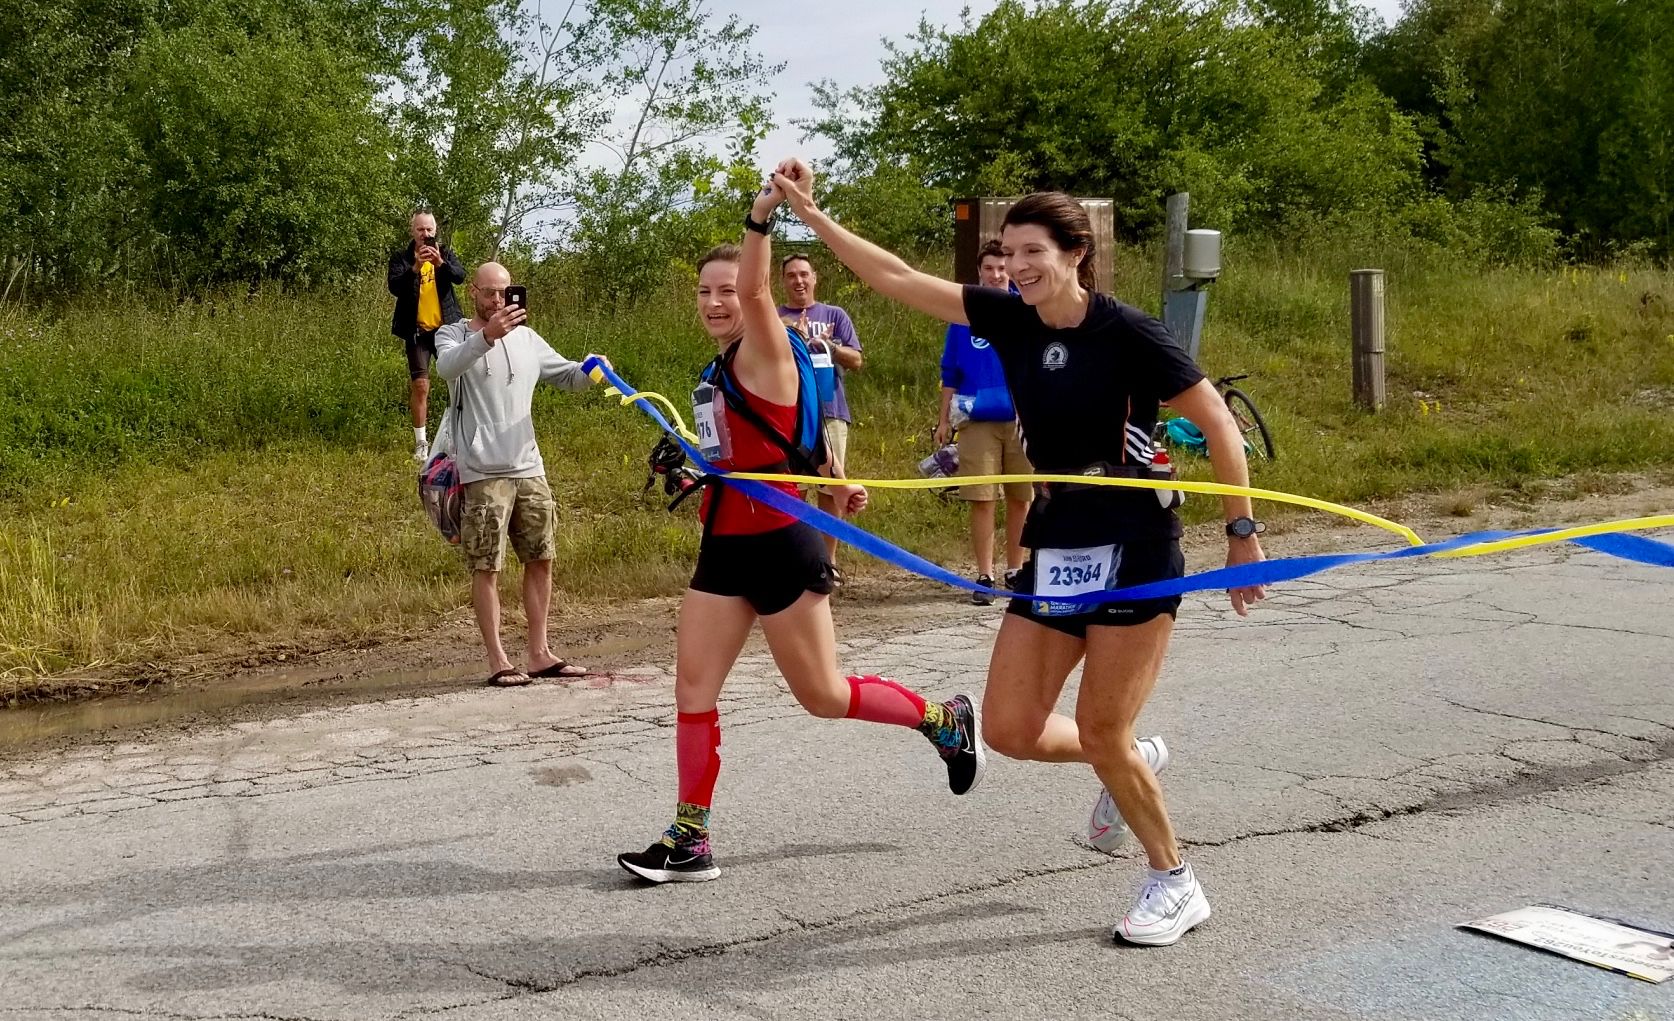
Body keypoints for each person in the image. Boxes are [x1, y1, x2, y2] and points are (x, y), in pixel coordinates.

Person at [773, 157, 1266, 947]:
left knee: (1100, 727)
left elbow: (1219, 425)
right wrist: (808, 212)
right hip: (1058, 542)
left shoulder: (1131, 333)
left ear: (1076, 254)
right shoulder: (1007, 318)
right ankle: (1133, 758)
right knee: (1008, 726)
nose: (1019, 265)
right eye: (1009, 251)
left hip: (1138, 544)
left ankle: (1174, 879)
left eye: (1034, 250)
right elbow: (895, 277)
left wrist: (1241, 532)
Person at [615, 182, 984, 886]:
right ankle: (689, 837)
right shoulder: (719, 367)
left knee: (823, 694)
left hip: (782, 542)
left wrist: (760, 217)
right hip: (724, 542)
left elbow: (760, 296)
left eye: (727, 289)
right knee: (693, 689)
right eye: (704, 292)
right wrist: (697, 460)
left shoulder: (769, 344)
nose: (717, 301)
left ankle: (944, 719)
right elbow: (784, 439)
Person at [433, 263, 605, 687]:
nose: (497, 301)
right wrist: (488, 335)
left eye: (504, 293)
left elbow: (565, 375)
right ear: (473, 291)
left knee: (541, 557)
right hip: (481, 470)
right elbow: (447, 368)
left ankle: (540, 653)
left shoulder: (527, 338)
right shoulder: (453, 335)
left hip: (529, 465)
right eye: (489, 293)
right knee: (487, 565)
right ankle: (498, 660)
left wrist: (593, 369)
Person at [936, 239, 1033, 605]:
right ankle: (984, 574)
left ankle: (1015, 569)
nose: (996, 274)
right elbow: (950, 370)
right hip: (977, 420)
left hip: (1022, 419)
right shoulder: (965, 315)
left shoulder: (1027, 308)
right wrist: (943, 419)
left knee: (1021, 498)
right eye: (989, 268)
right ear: (979, 271)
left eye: (1001, 267)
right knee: (982, 498)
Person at [777, 253, 861, 581]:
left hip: (831, 413)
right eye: (791, 276)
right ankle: (792, 558)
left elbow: (856, 360)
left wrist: (830, 345)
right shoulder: (774, 317)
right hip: (790, 416)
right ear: (782, 281)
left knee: (831, 489)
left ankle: (828, 563)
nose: (798, 281)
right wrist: (789, 335)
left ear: (815, 278)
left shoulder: (835, 315)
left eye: (804, 275)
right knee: (793, 489)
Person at [388, 211, 467, 461]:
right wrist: (415, 268)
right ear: (413, 231)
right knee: (420, 385)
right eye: (421, 230)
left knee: (457, 382)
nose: (426, 234)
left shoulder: (444, 253)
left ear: (436, 231)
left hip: (446, 329)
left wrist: (440, 264)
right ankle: (421, 442)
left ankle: (458, 436)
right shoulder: (401, 258)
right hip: (417, 330)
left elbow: (460, 277)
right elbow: (395, 287)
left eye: (429, 230)